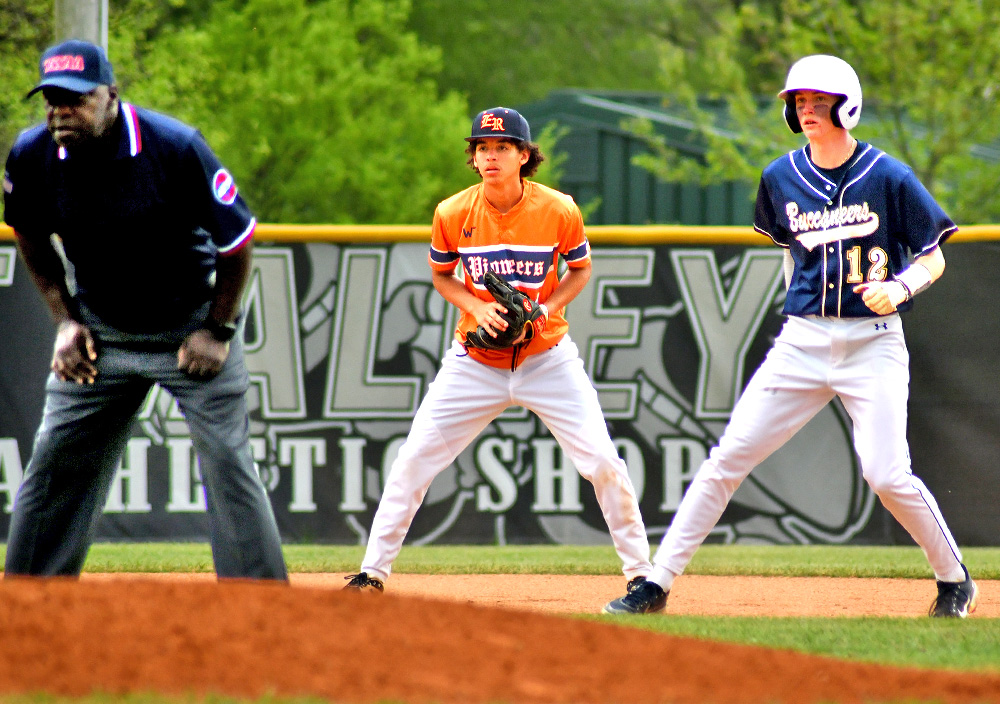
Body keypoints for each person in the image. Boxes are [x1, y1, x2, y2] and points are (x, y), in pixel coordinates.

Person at [604, 55, 977, 618]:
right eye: (797, 102)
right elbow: (789, 256)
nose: (805, 109)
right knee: (726, 459)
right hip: (802, 342)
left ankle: (954, 581)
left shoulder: (889, 175)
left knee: (885, 472)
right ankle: (655, 584)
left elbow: (934, 255)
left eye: (815, 100)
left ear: (845, 104)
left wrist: (901, 288)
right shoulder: (780, 177)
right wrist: (797, 322)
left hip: (872, 340)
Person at [2, 39, 287, 580]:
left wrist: (218, 329)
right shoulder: (33, 154)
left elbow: (237, 241)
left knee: (228, 462)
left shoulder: (172, 146)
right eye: (52, 98)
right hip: (101, 337)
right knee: (54, 461)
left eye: (77, 98)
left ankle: (263, 611)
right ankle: (26, 607)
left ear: (111, 94)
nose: (62, 110)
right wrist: (64, 320)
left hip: (189, 329)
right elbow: (31, 237)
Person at [344, 107, 653, 600]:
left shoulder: (559, 209)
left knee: (602, 462)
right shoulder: (452, 212)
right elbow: (443, 276)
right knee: (413, 462)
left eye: (502, 147)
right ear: (473, 157)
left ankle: (643, 577)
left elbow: (580, 269)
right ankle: (371, 575)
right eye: (483, 148)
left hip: (547, 357)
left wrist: (546, 308)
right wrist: (475, 307)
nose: (490, 156)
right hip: (474, 362)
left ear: (524, 156)